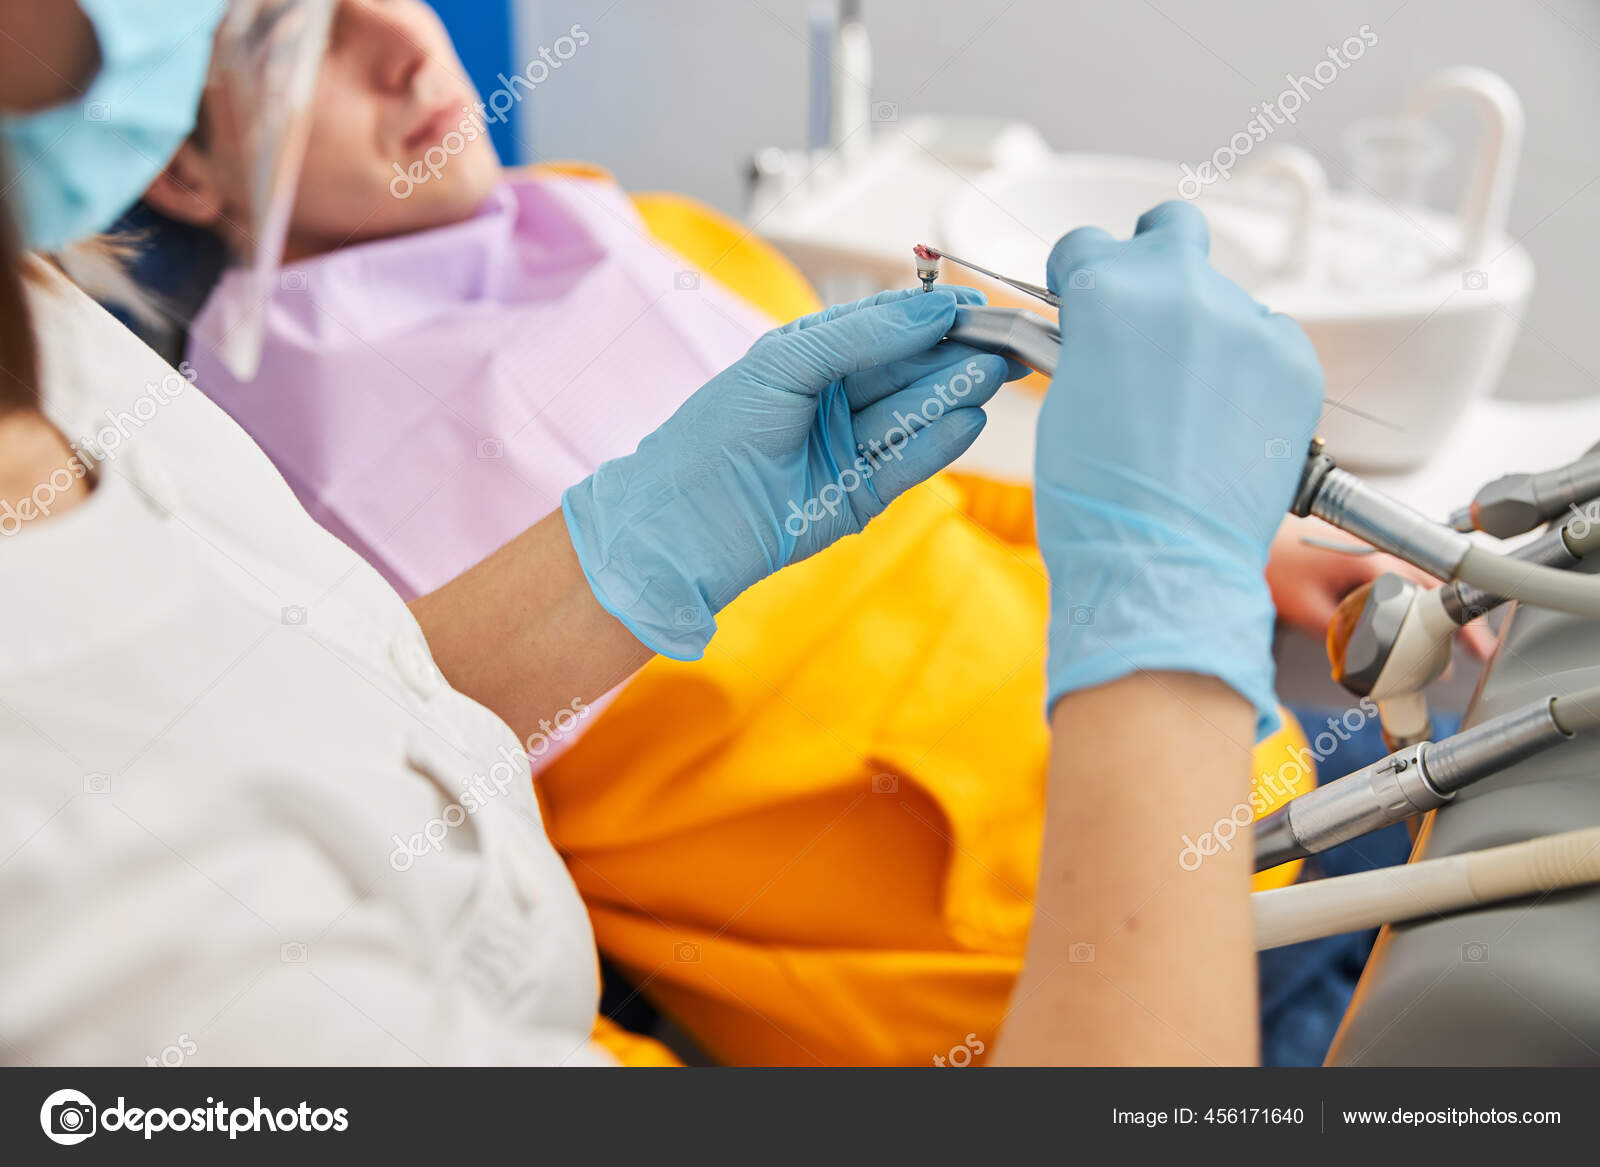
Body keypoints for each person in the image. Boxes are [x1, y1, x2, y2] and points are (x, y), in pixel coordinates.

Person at [125, 0, 1484, 1064]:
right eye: (288, 32)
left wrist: (1222, 540)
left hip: (1252, 764)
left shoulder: (633, 224)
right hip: (1026, 982)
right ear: (181, 163)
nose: (399, 41)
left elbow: (924, 482)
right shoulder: (254, 496)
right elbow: (449, 914)